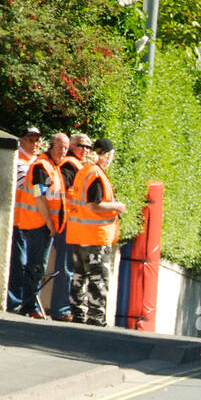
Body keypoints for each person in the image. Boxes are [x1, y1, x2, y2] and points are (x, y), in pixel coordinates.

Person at [63, 136, 125, 325]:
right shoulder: (96, 175)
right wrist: (117, 206)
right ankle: (95, 317)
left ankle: (78, 313)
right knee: (98, 278)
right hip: (95, 237)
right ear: (105, 155)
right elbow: (94, 205)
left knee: (79, 277)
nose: (111, 159)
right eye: (111, 155)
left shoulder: (84, 172)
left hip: (80, 234)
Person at [9, 131, 67, 317]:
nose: (63, 152)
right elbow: (38, 194)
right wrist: (50, 222)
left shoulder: (52, 167)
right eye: (60, 147)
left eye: (66, 148)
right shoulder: (41, 166)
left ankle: (30, 304)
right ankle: (30, 306)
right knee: (35, 266)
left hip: (42, 223)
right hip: (37, 223)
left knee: (36, 265)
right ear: (50, 147)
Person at [49, 133, 92, 321]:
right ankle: (61, 308)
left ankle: (63, 307)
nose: (85, 150)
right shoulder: (70, 165)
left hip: (69, 222)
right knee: (64, 265)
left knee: (67, 266)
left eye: (89, 147)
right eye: (81, 145)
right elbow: (65, 191)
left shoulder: (78, 166)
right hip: (64, 221)